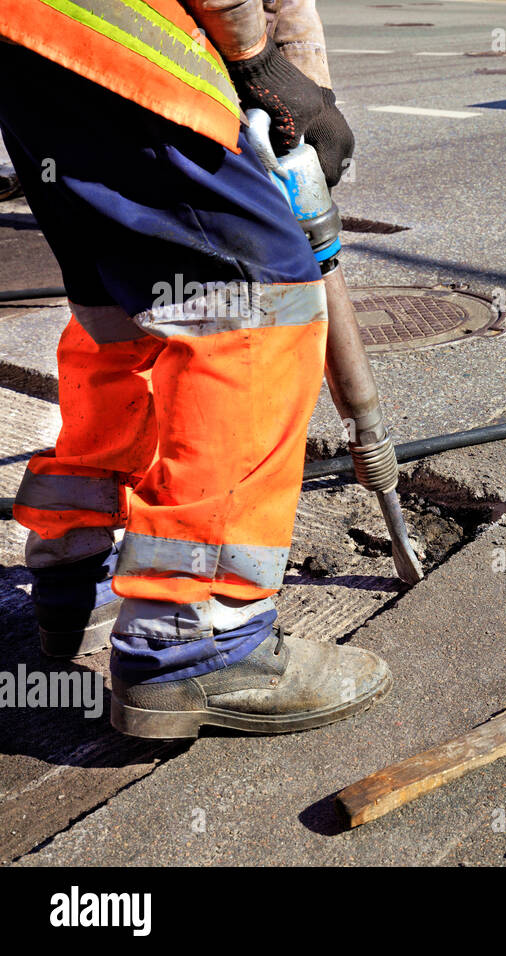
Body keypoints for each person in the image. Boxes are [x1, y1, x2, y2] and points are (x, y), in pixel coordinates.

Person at [0, 0, 390, 739]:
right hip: (119, 28)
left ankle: (76, 560)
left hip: (31, 29)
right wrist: (258, 62)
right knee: (253, 299)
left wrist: (285, 76)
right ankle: (197, 636)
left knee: (128, 305)